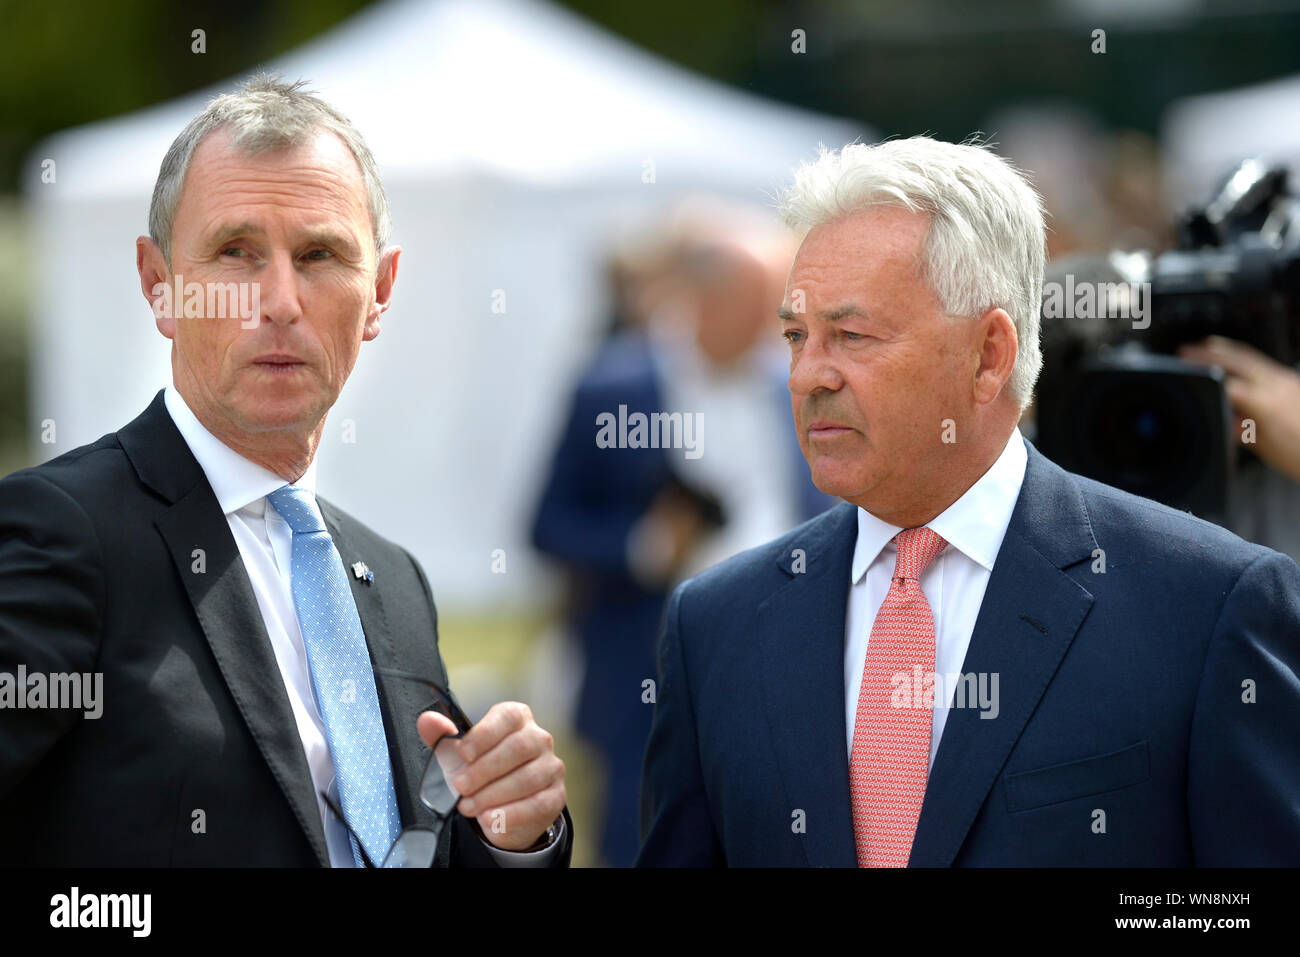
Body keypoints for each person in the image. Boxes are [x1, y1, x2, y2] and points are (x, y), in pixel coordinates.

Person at [637, 136, 1300, 866]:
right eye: (797, 335)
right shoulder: (713, 626)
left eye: (851, 335)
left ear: (989, 354)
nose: (806, 376)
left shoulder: (1207, 609)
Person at [0, 75, 571, 867]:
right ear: (159, 285)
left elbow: (416, 849)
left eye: (319, 255)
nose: (279, 300)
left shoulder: (394, 581)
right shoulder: (59, 533)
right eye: (237, 252)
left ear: (379, 293)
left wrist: (513, 833)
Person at [532, 203, 831, 865]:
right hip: (649, 670)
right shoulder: (614, 386)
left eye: (776, 310)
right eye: (755, 305)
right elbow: (546, 525)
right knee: (646, 841)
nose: (769, 327)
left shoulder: (794, 383)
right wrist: (642, 546)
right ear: (701, 298)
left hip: (784, 656)